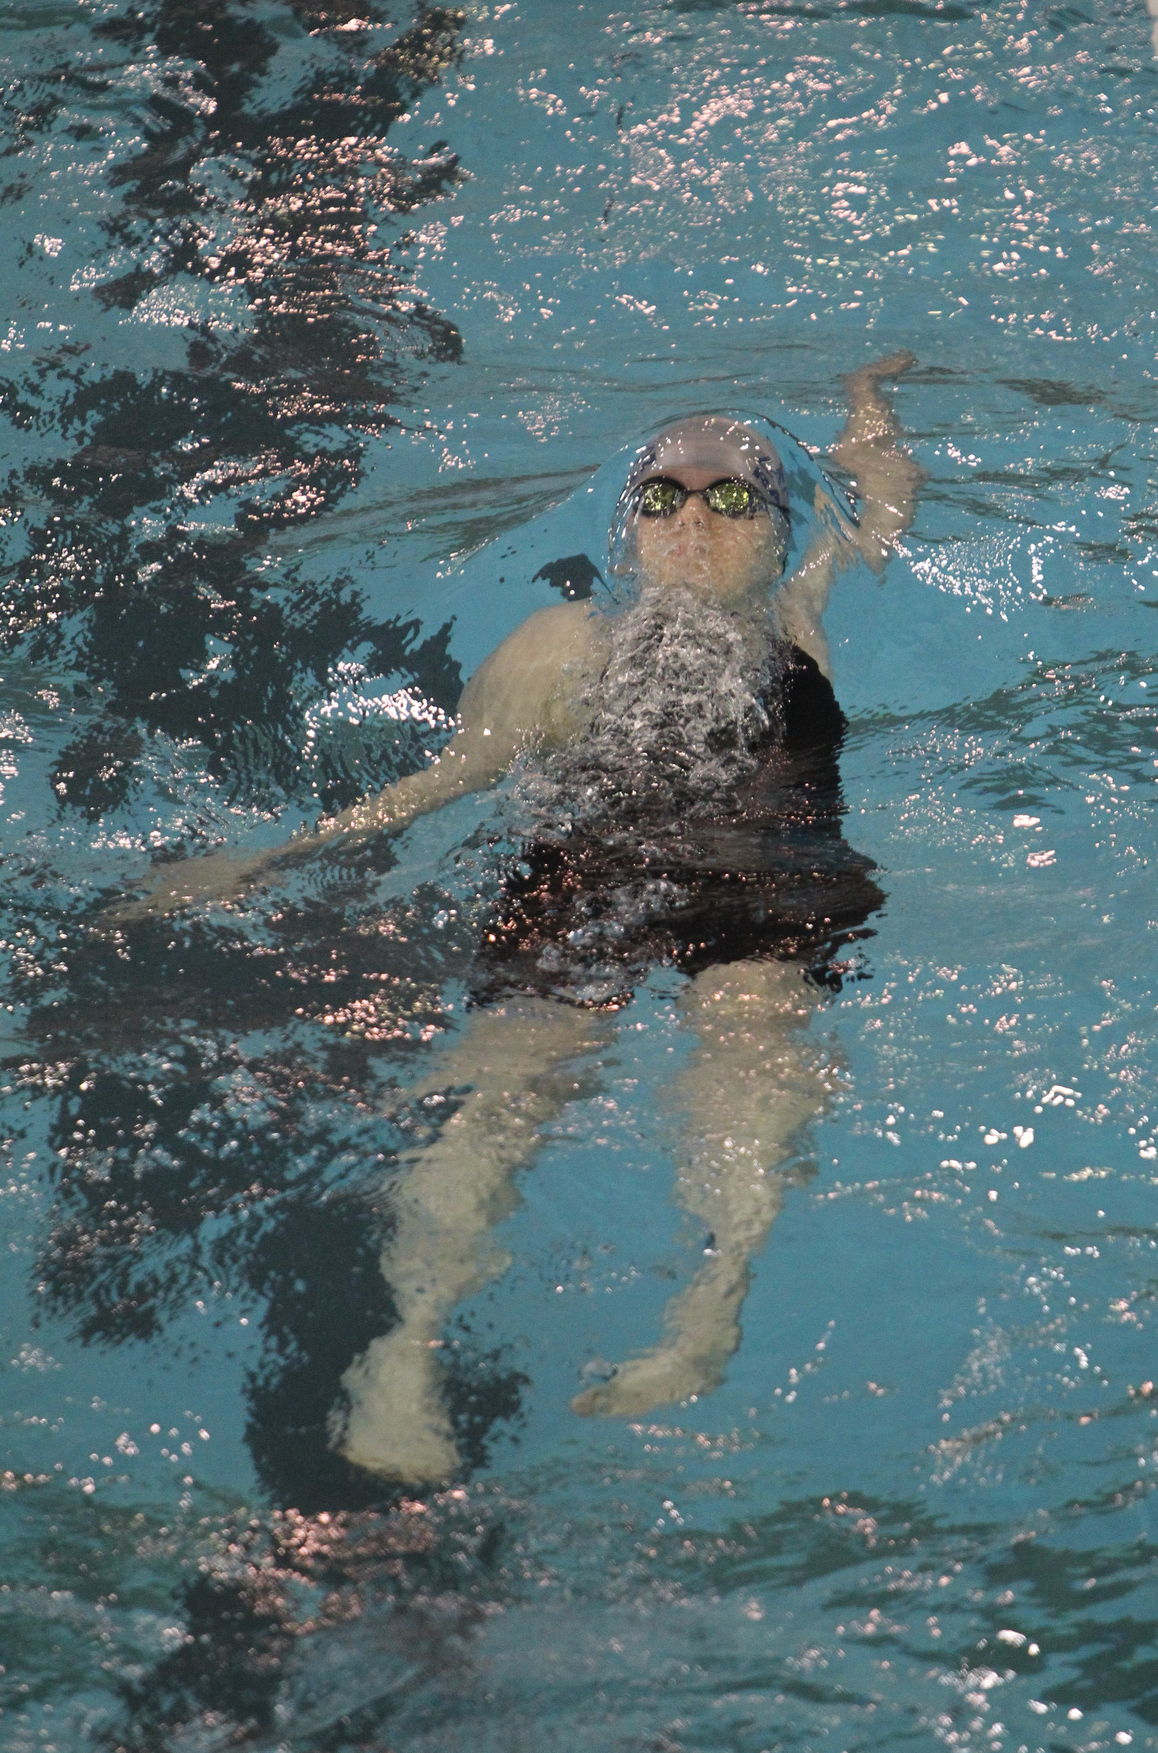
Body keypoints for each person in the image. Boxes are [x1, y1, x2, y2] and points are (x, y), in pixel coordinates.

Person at [128, 354, 921, 1483]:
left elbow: (879, 499)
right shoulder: (557, 648)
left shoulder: (796, 616)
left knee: (749, 1048)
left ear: (777, 526)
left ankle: (710, 1306)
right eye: (663, 493)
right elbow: (439, 786)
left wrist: (865, 400)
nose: (692, 515)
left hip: (764, 864)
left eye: (731, 492)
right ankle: (404, 1355)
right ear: (627, 527)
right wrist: (270, 858)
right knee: (505, 1081)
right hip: (585, 869)